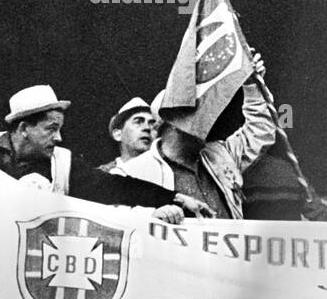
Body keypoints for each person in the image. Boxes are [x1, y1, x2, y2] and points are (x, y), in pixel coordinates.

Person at [0, 84, 185, 221]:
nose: (59, 138)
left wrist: (174, 198)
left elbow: (117, 187)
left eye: (59, 129)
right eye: (51, 129)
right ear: (23, 129)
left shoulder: (63, 163)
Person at [118, 54, 276, 220]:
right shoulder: (133, 172)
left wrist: (251, 85)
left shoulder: (221, 154)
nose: (207, 118)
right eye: (194, 112)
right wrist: (152, 216)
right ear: (170, 123)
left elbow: (261, 130)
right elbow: (112, 220)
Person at [100, 97, 155, 173]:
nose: (147, 128)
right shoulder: (102, 175)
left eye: (152, 124)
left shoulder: (166, 173)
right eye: (138, 122)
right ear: (118, 135)